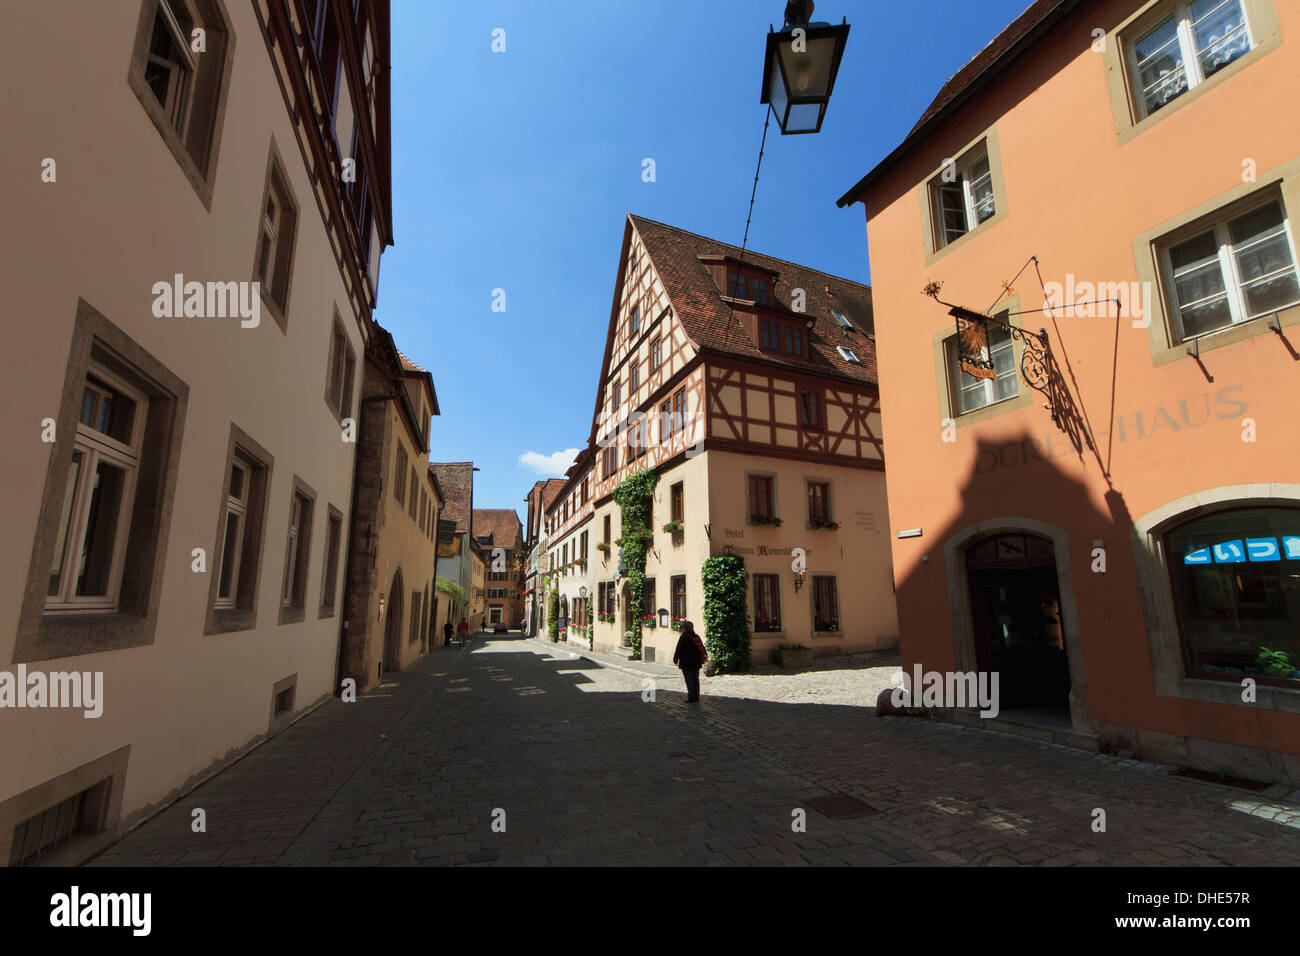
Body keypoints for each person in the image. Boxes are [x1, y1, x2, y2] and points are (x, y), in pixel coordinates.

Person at [673, 621, 707, 703]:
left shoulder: (684, 638)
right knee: (695, 679)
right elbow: (702, 648)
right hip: (696, 662)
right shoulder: (696, 637)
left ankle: (691, 697)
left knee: (689, 680)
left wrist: (675, 658)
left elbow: (678, 649)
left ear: (685, 629)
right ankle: (696, 696)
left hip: (686, 663)